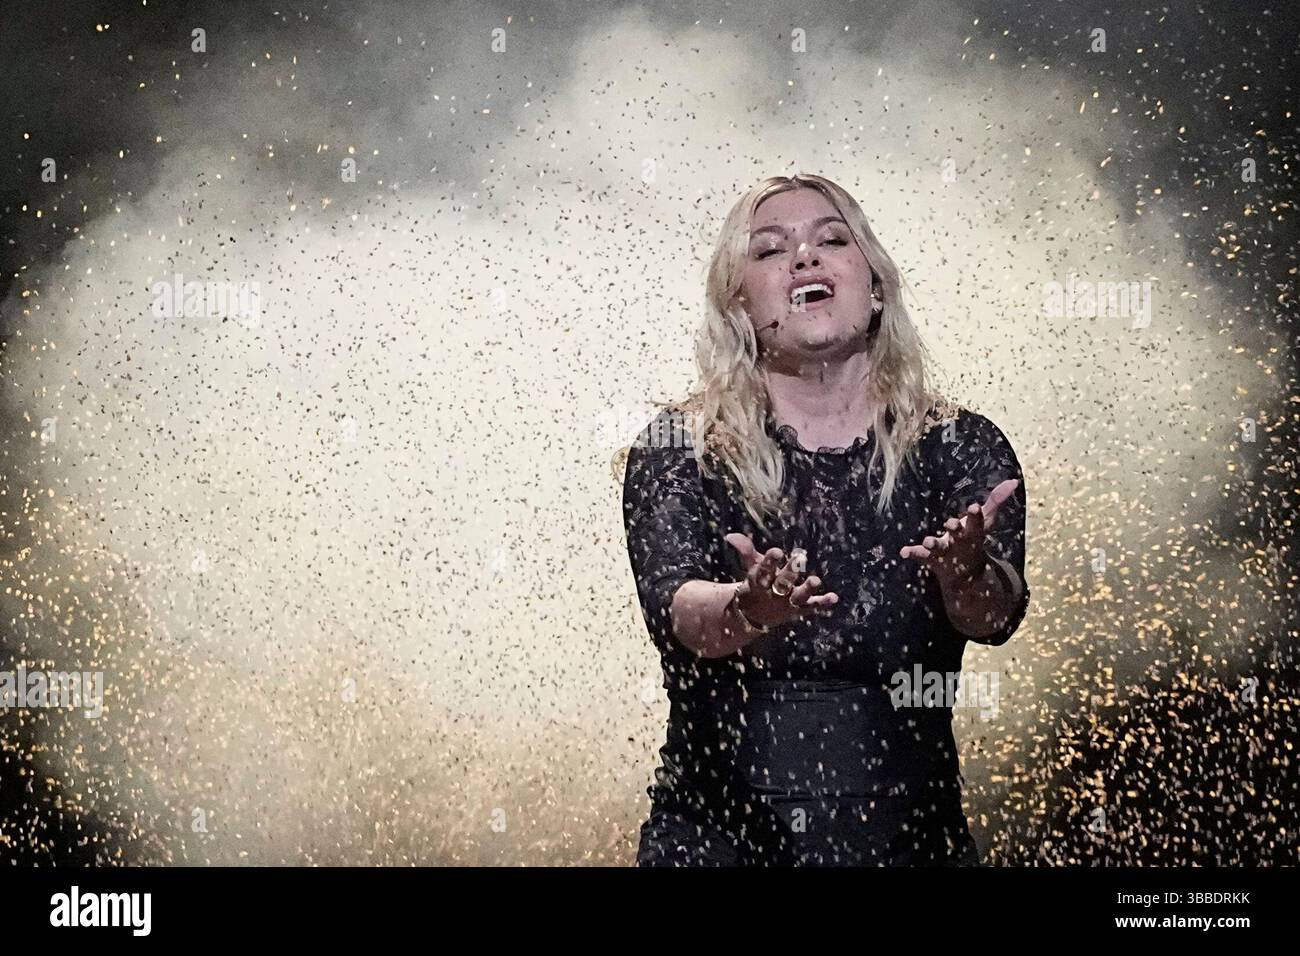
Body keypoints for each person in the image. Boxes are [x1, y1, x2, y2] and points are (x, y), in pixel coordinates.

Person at [620, 173, 1030, 866]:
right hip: (718, 843)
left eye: (832, 240)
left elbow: (995, 618)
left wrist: (965, 575)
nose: (805, 258)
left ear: (874, 287)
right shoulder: (678, 447)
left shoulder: (958, 443)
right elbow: (680, 612)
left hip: (910, 846)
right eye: (771, 250)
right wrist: (747, 608)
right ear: (739, 307)